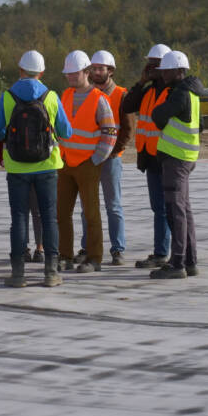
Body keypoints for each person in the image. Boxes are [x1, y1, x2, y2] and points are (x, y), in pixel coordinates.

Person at [0, 50, 72, 288]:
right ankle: (51, 272)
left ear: (20, 70)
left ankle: (18, 274)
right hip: (48, 166)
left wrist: (8, 132)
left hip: (17, 168)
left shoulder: (8, 97)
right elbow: (67, 132)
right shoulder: (52, 97)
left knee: (19, 217)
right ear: (41, 72)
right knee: (49, 218)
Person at [56, 50, 116, 273]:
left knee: (91, 213)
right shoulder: (65, 95)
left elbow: (110, 132)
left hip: (88, 164)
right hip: (65, 162)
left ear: (87, 72)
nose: (71, 77)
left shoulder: (100, 99)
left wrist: (95, 160)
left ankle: (94, 258)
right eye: (68, 74)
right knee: (61, 213)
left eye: (74, 73)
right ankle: (65, 255)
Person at [150, 50, 207, 279]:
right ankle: (190, 262)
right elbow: (200, 126)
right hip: (186, 157)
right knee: (184, 210)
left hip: (176, 159)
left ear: (179, 71)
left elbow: (157, 114)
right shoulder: (193, 94)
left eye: (166, 70)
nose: (163, 74)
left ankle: (177, 264)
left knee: (176, 212)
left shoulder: (180, 94)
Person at [121, 43, 173, 269]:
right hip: (152, 160)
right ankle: (161, 252)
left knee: (172, 208)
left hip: (170, 158)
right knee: (159, 209)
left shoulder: (176, 91)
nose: (152, 68)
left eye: (156, 65)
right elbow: (127, 106)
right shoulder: (149, 91)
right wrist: (142, 81)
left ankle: (171, 254)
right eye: (150, 65)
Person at [79, 49, 131, 266]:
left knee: (113, 205)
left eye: (101, 68)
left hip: (110, 159)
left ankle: (117, 249)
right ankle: (87, 247)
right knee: (87, 207)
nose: (97, 72)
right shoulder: (86, 93)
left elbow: (127, 129)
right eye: (94, 68)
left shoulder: (121, 94)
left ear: (110, 71)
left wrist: (112, 151)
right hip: (89, 159)